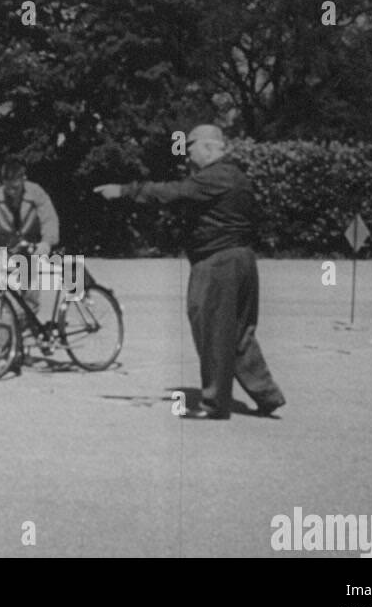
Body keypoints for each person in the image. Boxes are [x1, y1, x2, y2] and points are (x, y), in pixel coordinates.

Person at [93, 124, 286, 419]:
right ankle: (266, 394)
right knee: (238, 335)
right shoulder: (237, 177)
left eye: (191, 146)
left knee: (212, 332)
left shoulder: (216, 176)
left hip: (217, 263)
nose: (187, 154)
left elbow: (173, 192)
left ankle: (214, 404)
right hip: (242, 260)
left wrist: (124, 191)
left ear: (209, 147)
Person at [0, 156, 60, 320]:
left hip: (29, 250)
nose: (11, 192)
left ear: (23, 179)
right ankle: (11, 341)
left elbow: (50, 219)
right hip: (7, 251)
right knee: (5, 300)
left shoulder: (36, 193)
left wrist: (47, 243)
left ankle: (19, 338)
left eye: (15, 187)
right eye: (8, 187)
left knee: (29, 302)